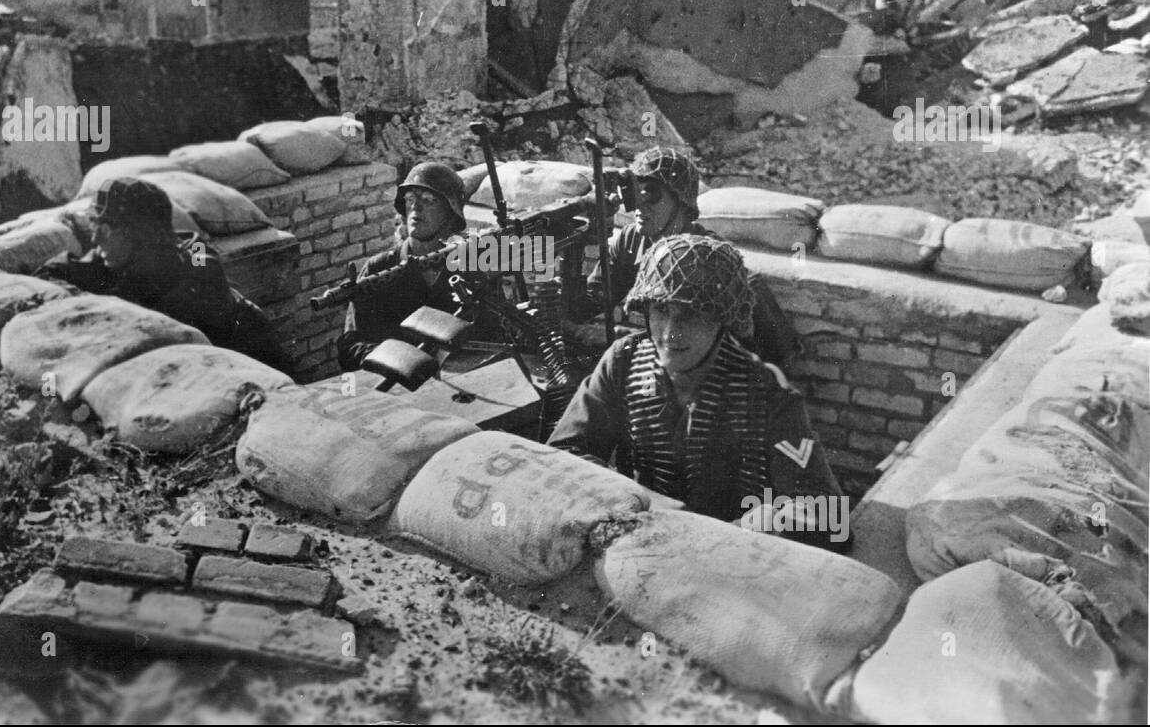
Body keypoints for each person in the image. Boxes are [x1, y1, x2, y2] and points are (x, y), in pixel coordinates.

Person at [548, 235, 848, 552]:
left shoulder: (767, 394)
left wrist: (766, 521)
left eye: (690, 314)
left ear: (722, 319)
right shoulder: (623, 361)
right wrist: (643, 503)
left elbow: (829, 518)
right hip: (641, 541)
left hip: (730, 554)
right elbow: (563, 454)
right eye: (661, 310)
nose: (670, 332)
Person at [36, 177, 296, 375]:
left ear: (138, 233)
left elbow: (199, 259)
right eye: (94, 227)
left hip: (255, 362)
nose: (95, 239)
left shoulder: (195, 272)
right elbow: (51, 274)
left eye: (104, 229)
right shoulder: (121, 258)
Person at [584, 145, 799, 368]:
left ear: (681, 202)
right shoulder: (631, 241)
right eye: (636, 193)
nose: (639, 205)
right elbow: (589, 303)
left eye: (651, 194)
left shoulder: (707, 256)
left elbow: (710, 345)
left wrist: (625, 337)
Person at [336, 162, 478, 373]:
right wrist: (397, 361)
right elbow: (350, 346)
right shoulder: (380, 269)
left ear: (450, 212)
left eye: (428, 200)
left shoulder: (469, 266)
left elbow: (495, 333)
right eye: (410, 199)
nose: (415, 208)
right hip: (396, 387)